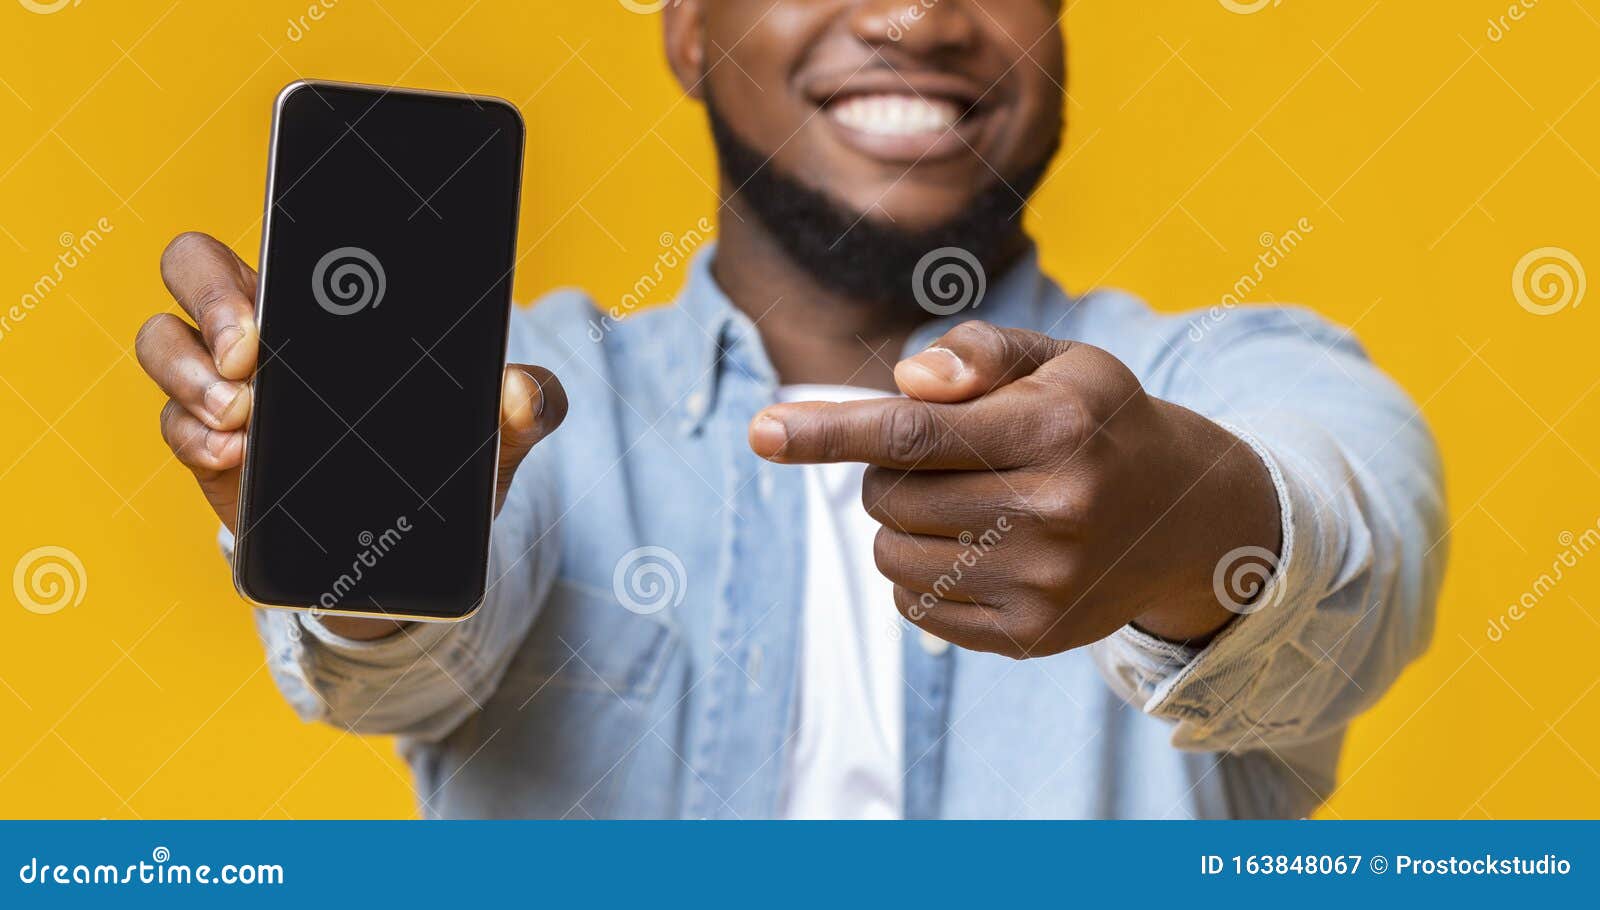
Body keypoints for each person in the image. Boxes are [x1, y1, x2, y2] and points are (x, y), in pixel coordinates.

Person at [133, 0, 1446, 819]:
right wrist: (355, 522)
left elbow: (1358, 550)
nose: (920, 16)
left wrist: (1171, 522)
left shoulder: (1229, 374)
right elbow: (397, 665)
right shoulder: (520, 392)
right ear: (686, 27)